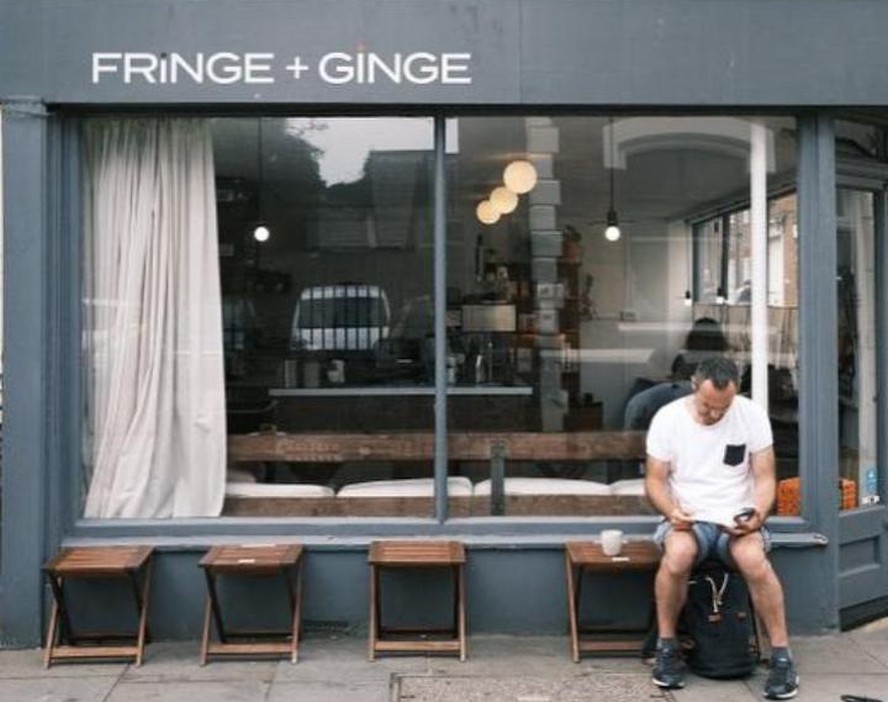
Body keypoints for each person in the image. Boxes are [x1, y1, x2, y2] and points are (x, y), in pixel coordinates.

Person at [644, 356, 799, 700]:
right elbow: (654, 482)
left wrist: (758, 513)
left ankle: (782, 657)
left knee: (755, 562)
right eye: (707, 407)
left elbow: (765, 477)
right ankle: (667, 647)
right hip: (688, 516)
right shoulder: (668, 419)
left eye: (723, 408)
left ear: (736, 394)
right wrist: (672, 512)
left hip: (736, 518)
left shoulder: (751, 415)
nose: (715, 415)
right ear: (695, 387)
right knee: (678, 556)